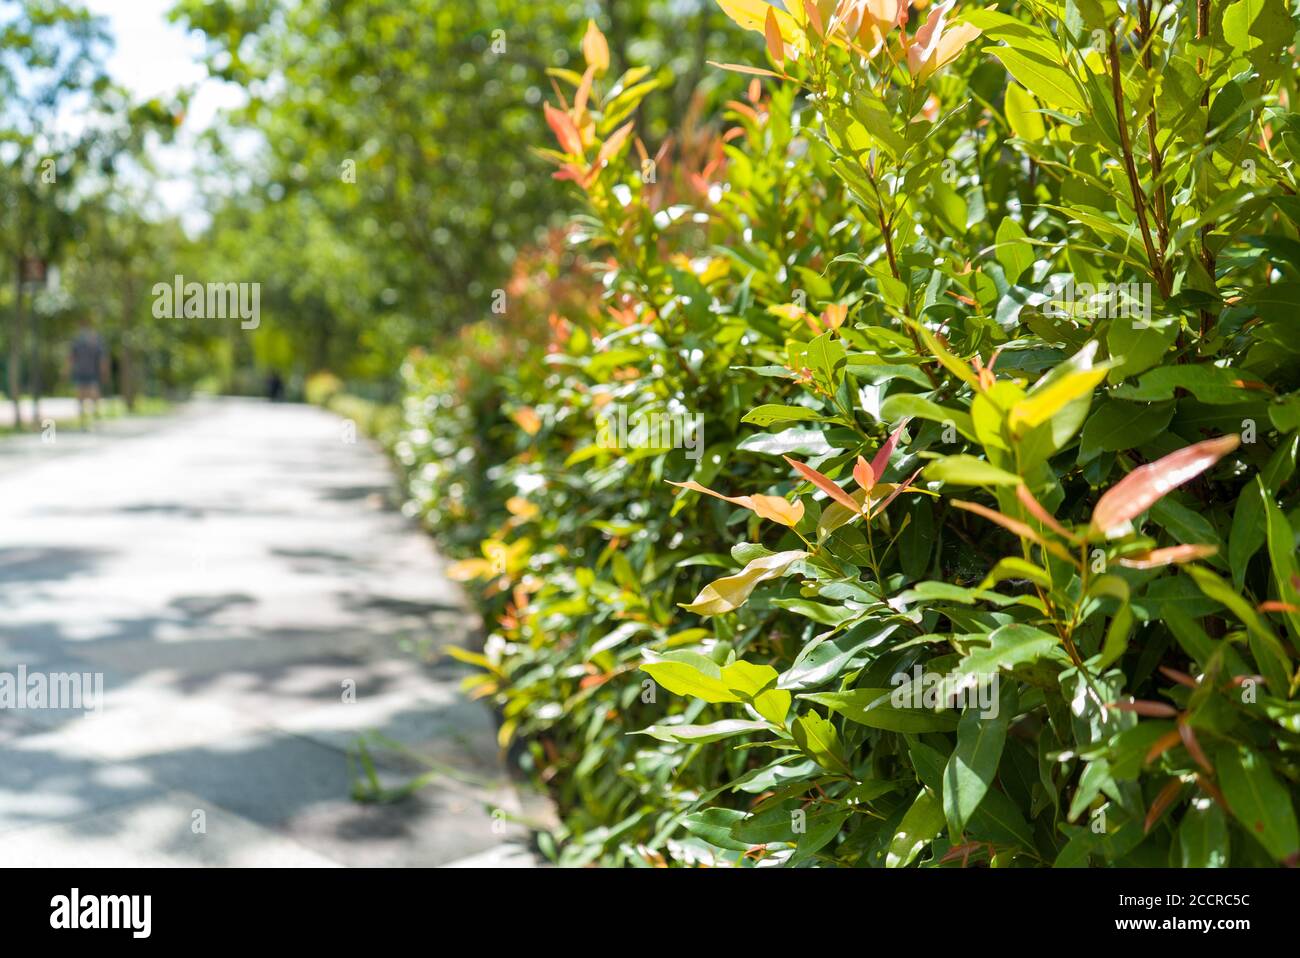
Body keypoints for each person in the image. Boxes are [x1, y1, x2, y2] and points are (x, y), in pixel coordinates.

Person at [67, 317, 109, 429]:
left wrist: (103, 371)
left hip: (91, 372)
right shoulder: (79, 340)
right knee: (83, 396)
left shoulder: (95, 340)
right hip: (82, 371)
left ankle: (93, 419)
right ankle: (85, 421)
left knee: (91, 395)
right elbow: (72, 357)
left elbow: (101, 358)